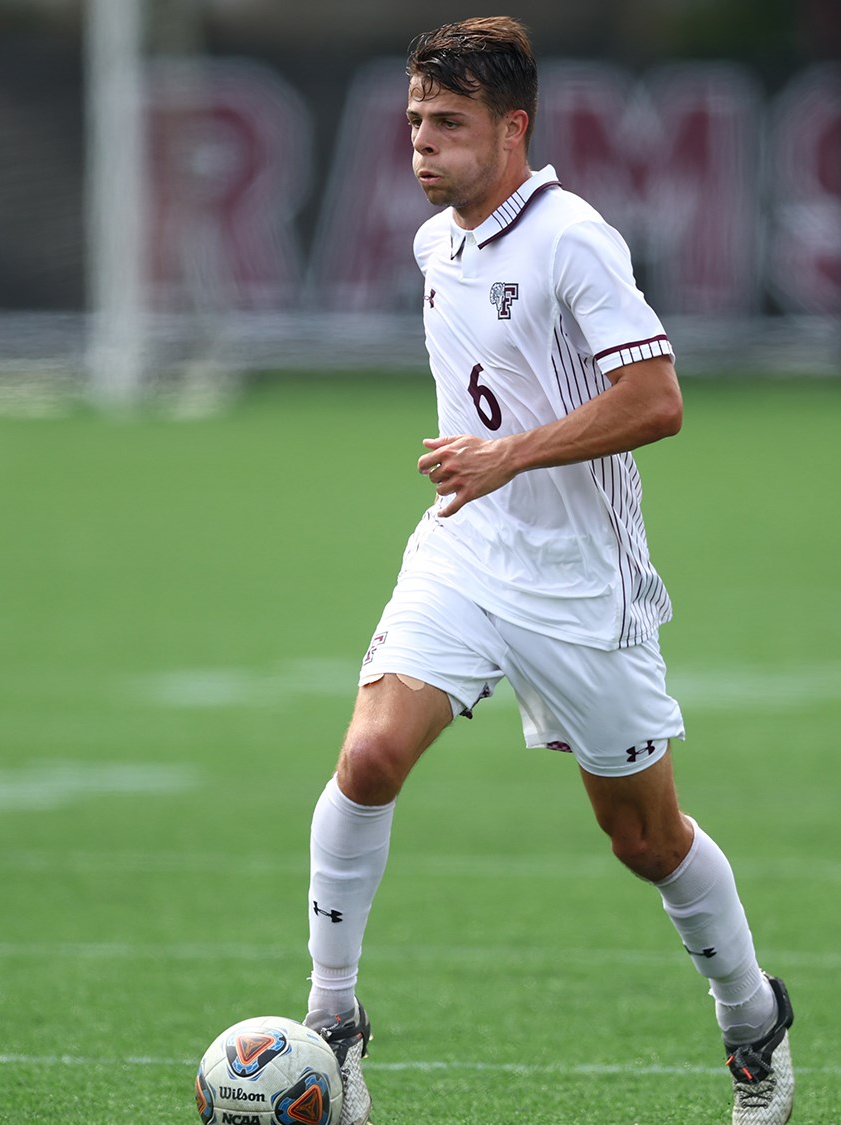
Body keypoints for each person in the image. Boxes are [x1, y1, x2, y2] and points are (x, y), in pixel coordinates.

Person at [298, 18, 792, 1125]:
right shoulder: (440, 244)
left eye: (448, 125)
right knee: (370, 756)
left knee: (644, 839)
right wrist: (482, 476)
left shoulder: (573, 240)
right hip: (463, 556)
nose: (421, 146)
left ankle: (750, 1018)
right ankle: (332, 1021)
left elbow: (657, 400)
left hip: (580, 592)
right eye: (414, 123)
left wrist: (504, 454)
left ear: (511, 128)